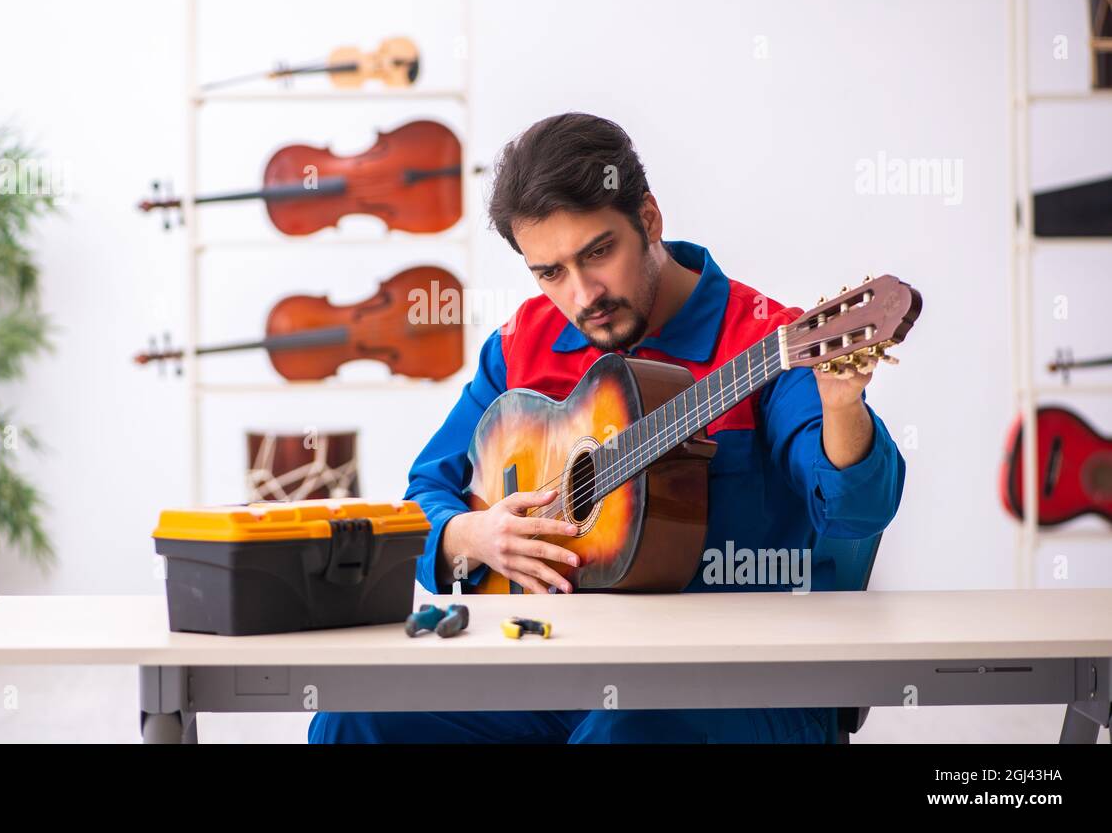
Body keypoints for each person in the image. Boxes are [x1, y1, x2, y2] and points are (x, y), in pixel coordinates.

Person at [309, 112, 906, 743]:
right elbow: (428, 493)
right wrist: (473, 535)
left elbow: (859, 511)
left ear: (649, 218)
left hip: (736, 681)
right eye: (550, 273)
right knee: (353, 719)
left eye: (598, 253)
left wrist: (843, 405)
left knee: (619, 733)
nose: (582, 293)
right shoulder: (519, 346)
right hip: (554, 669)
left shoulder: (764, 338)